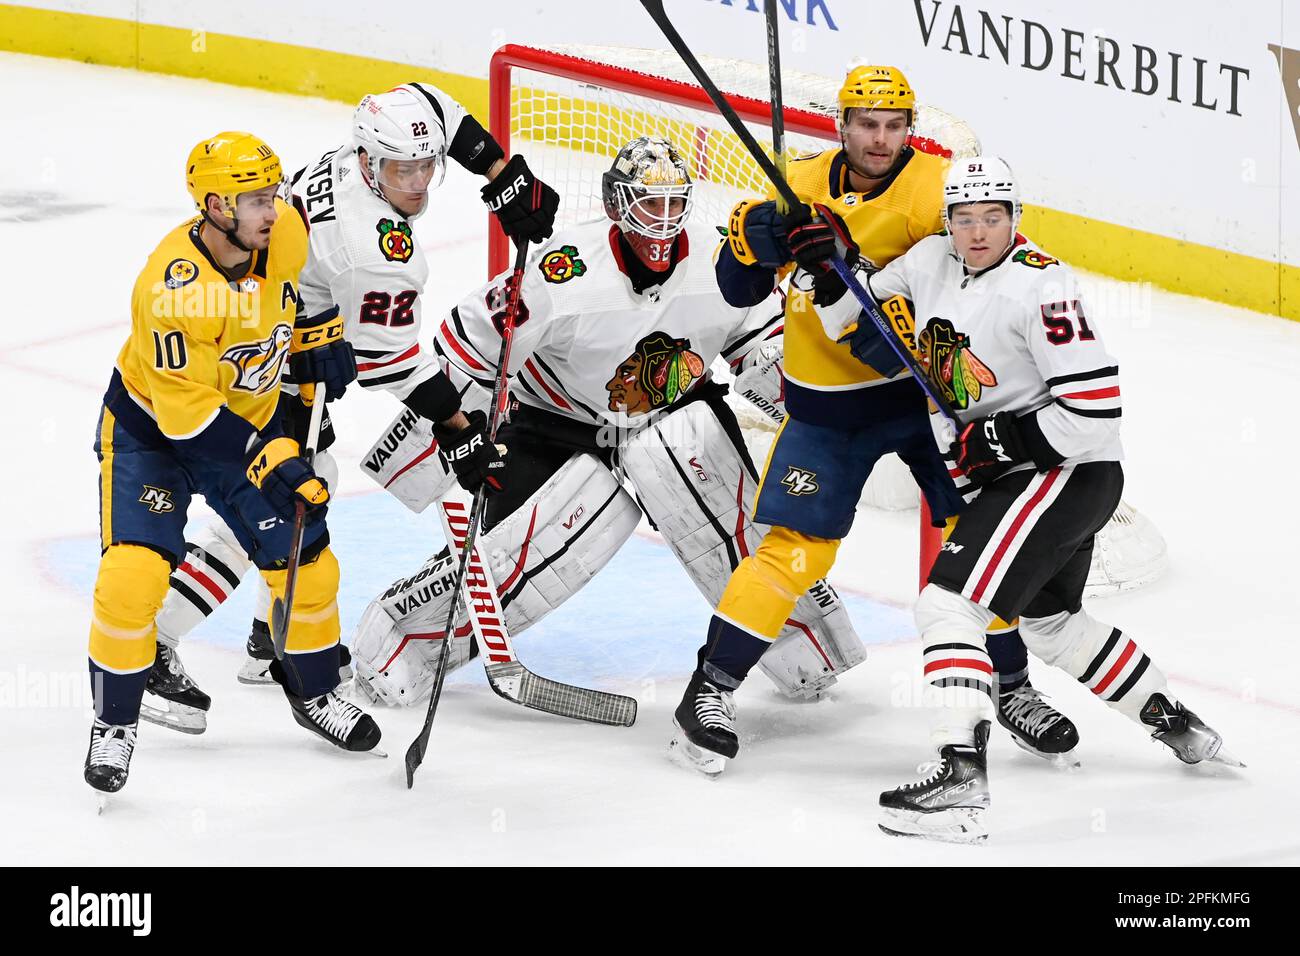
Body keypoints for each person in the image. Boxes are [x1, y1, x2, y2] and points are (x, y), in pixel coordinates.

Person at [350, 137, 861, 707]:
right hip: (553, 424)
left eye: (674, 204)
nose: (663, 222)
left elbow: (766, 358)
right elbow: (468, 351)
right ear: (617, 206)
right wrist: (435, 454)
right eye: (649, 204)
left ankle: (806, 649)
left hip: (668, 419)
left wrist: (831, 420)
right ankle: (395, 649)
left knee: (711, 489)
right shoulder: (559, 270)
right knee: (515, 554)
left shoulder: (723, 266)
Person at [668, 66, 1076, 775]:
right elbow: (736, 289)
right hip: (827, 409)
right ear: (842, 124)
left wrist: (847, 274)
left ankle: (1010, 688)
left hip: (931, 406)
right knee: (794, 550)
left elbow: (964, 287)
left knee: (975, 543)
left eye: (893, 126)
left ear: (909, 127)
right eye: (866, 124)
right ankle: (709, 690)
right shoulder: (796, 180)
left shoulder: (934, 189)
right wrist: (757, 235)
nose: (880, 139)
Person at [828, 155, 1239, 843]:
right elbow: (855, 314)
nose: (979, 231)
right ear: (949, 221)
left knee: (947, 602)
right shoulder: (930, 260)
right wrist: (826, 265)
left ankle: (960, 780)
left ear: (1015, 218)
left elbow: (1097, 410)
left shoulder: (1044, 290)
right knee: (1051, 623)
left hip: (1065, 472)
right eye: (965, 218)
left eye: (994, 217)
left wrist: (1004, 437)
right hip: (1041, 479)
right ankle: (1178, 725)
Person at [142, 83, 558, 729]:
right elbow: (389, 363)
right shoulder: (372, 251)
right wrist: (459, 429)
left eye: (426, 166)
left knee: (309, 483)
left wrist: (502, 173)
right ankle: (151, 644)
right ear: (369, 162)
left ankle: (265, 639)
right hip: (259, 348)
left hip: (277, 319)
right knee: (276, 498)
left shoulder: (370, 145)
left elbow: (437, 112)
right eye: (402, 169)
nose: (418, 181)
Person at [84, 131, 383, 796]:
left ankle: (312, 693)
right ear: (216, 205)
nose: (271, 210)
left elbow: (299, 291)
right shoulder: (172, 288)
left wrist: (313, 341)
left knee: (308, 562)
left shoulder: (283, 234)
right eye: (254, 199)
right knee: (132, 575)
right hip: (153, 433)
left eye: (272, 194)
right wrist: (275, 457)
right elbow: (187, 420)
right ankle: (114, 721)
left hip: (243, 417)